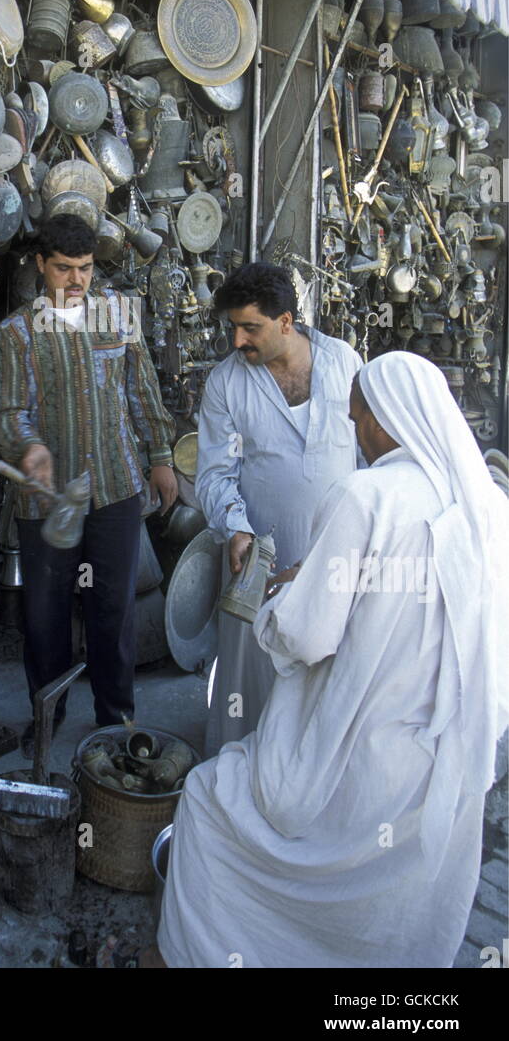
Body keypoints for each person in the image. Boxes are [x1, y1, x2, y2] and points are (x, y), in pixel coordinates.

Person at [156, 352, 509, 969]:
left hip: (355, 755)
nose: (357, 438)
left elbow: (307, 637)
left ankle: (210, 953)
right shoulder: (488, 509)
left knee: (209, 797)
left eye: (358, 423)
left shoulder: (365, 497)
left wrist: (282, 595)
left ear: (383, 418)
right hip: (439, 759)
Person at [0, 214, 177, 753]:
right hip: (46, 500)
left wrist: (160, 455)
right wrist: (30, 446)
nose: (77, 280)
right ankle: (47, 719)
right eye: (65, 269)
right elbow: (6, 413)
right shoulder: (16, 335)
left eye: (86, 268)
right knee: (45, 617)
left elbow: (142, 390)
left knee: (112, 609)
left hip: (116, 485)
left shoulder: (118, 314)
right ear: (42, 266)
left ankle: (116, 719)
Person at [195, 262, 361, 753]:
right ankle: (243, 791)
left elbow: (368, 457)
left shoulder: (345, 362)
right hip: (256, 564)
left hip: (335, 558)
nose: (238, 341)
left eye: (251, 328)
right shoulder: (226, 384)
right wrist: (236, 528)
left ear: (286, 321)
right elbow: (214, 475)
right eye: (234, 328)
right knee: (253, 690)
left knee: (328, 682)